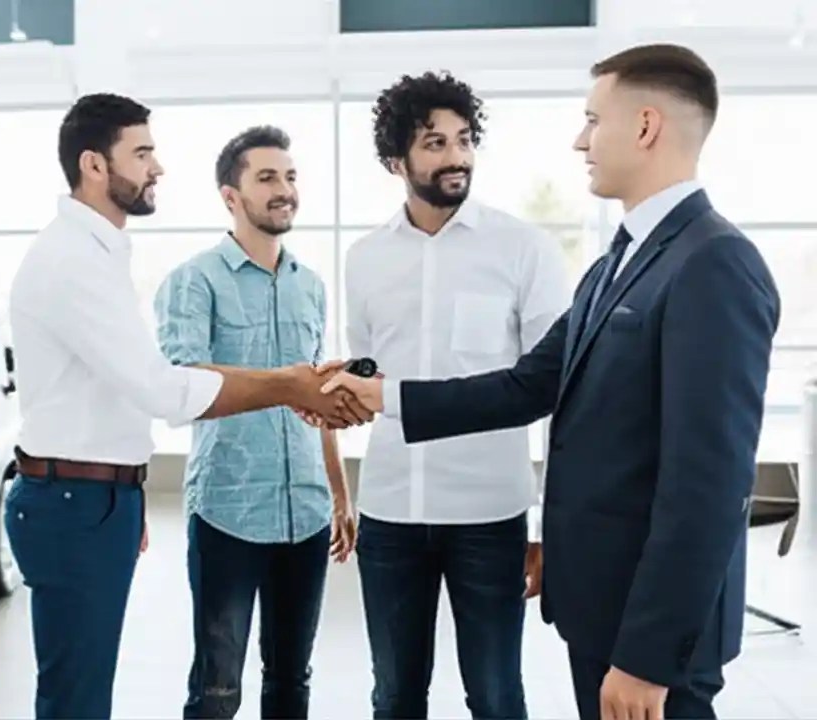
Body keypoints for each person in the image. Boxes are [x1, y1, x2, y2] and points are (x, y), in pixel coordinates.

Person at [316, 44, 780, 720]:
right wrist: (375, 394)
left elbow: (708, 487)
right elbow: (529, 385)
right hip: (599, 607)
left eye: (594, 120)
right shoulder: (616, 263)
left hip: (645, 637)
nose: (579, 140)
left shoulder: (713, 263)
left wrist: (648, 656)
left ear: (645, 127)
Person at [5, 93, 372, 720]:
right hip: (123, 503)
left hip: (112, 497)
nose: (158, 167)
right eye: (143, 153)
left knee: (90, 693)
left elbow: (116, 394)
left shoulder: (99, 255)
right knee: (101, 698)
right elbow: (165, 388)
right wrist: (287, 384)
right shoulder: (82, 263)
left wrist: (128, 493)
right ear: (95, 165)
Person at [341, 72, 572, 720]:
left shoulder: (525, 249)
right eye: (435, 143)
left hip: (489, 515)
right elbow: (366, 378)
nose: (456, 156)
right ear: (397, 161)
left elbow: (557, 394)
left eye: (465, 139)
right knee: (394, 696)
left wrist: (550, 522)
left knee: (497, 696)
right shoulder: (363, 258)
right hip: (389, 512)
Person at [153, 125, 357, 720]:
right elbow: (183, 385)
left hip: (308, 514)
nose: (284, 190)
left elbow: (317, 397)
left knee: (292, 680)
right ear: (230, 196)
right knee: (218, 688)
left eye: (290, 177)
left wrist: (340, 493)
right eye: (266, 177)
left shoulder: (311, 288)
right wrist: (283, 385)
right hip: (228, 512)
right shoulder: (194, 282)